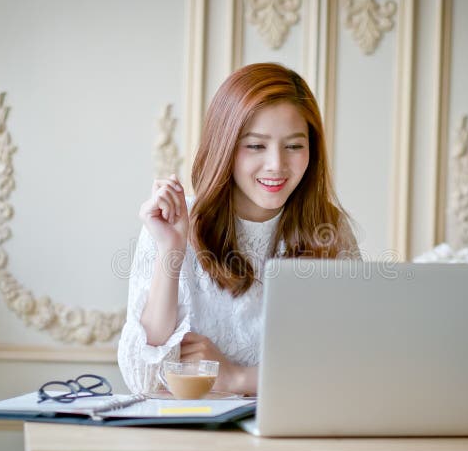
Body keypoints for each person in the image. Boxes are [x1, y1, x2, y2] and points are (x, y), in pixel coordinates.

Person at [118, 62, 359, 398]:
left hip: (292, 438)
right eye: (256, 146)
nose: (277, 164)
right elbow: (142, 377)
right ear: (225, 147)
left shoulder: (329, 229)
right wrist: (171, 250)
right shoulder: (173, 222)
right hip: (190, 438)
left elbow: (348, 370)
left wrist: (237, 378)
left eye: (294, 145)